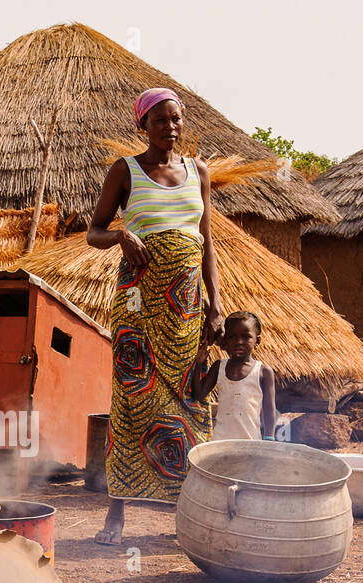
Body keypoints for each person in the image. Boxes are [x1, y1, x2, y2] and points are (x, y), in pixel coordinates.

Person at [87, 87, 222, 544]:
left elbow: (207, 245)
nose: (171, 127)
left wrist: (216, 305)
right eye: (161, 120)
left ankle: (189, 511)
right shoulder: (125, 171)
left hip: (186, 309)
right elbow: (94, 231)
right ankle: (116, 512)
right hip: (137, 305)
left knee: (190, 400)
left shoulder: (197, 171)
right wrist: (122, 237)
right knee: (131, 400)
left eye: (177, 119)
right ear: (142, 125)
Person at [193, 311, 278, 441]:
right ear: (226, 340)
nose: (238, 342)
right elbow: (198, 394)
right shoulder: (219, 367)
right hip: (220, 441)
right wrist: (198, 364)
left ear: (257, 340)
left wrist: (269, 439)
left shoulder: (263, 372)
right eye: (232, 337)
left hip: (250, 442)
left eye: (246, 337)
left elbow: (269, 410)